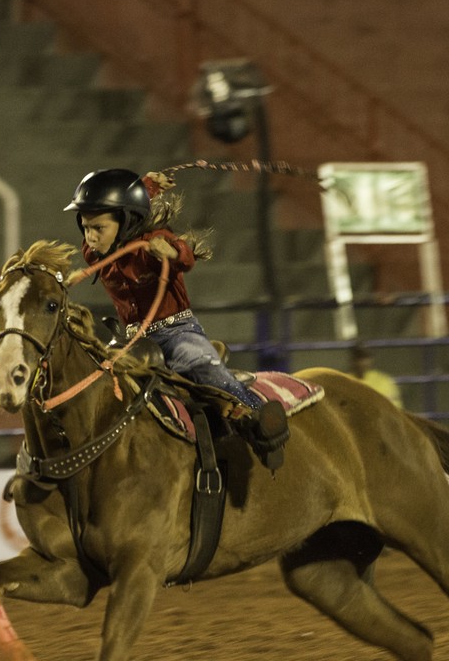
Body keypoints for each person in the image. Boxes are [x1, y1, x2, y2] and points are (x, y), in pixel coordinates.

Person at [65, 168, 289, 468]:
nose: (90, 236)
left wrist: (170, 250)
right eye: (85, 226)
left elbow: (185, 256)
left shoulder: (153, 242)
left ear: (126, 221)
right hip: (132, 341)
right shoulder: (97, 252)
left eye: (98, 228)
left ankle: (257, 416)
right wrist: (146, 187)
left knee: (204, 369)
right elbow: (125, 206)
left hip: (177, 333)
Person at [350, 344, 403, 408]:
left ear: (371, 359)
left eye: (365, 358)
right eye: (359, 358)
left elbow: (395, 408)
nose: (362, 362)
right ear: (352, 360)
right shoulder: (346, 381)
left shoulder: (384, 381)